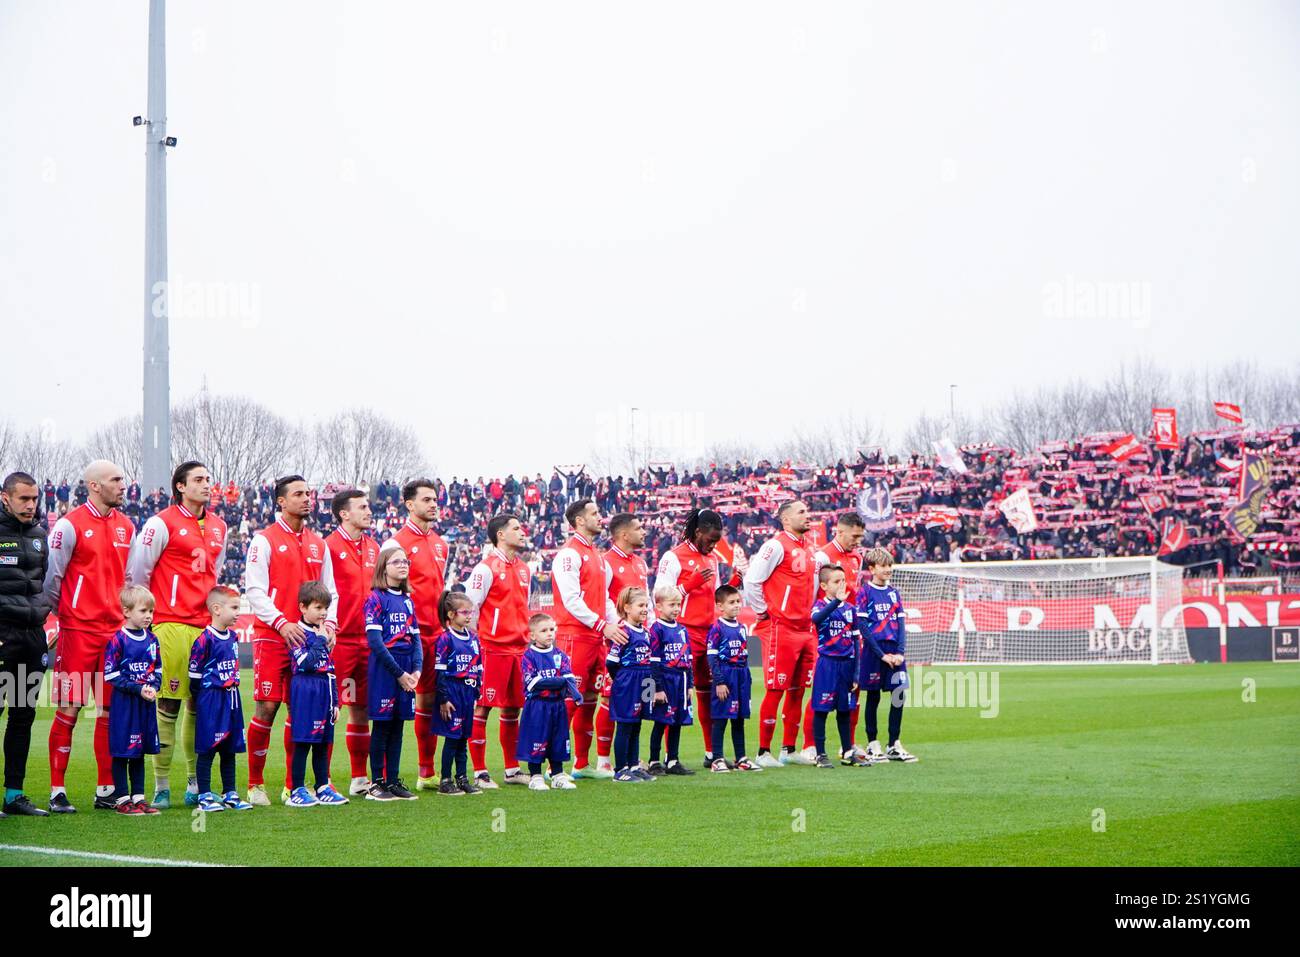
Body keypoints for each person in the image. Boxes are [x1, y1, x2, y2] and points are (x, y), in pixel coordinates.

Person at [125, 460, 228, 809]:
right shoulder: (160, 522)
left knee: (200, 705)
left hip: (206, 629)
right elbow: (140, 571)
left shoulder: (219, 526)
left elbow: (216, 571)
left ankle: (194, 780)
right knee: (166, 702)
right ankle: (162, 784)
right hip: (170, 624)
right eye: (198, 480)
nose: (207, 485)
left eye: (208, 479)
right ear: (180, 486)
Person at [44, 459, 136, 812]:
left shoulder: (126, 525)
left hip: (115, 633)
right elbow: (53, 579)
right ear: (94, 485)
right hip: (79, 630)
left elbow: (127, 578)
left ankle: (105, 789)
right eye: (115, 480)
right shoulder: (68, 526)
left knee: (109, 711)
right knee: (69, 707)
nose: (122, 486)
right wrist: (69, 613)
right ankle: (56, 791)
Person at [243, 475, 338, 806]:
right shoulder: (263, 540)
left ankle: (292, 786)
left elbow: (330, 591)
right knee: (267, 707)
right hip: (273, 636)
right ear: (281, 501)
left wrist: (330, 626)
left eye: (309, 493)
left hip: (309, 641)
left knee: (302, 710)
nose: (307, 498)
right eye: (298, 494)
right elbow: (254, 589)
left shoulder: (319, 543)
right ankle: (255, 784)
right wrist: (281, 622)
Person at [654, 508, 744, 768]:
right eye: (710, 539)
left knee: (709, 694)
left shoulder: (712, 559)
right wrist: (686, 586)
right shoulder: (673, 557)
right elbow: (658, 595)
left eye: (717, 540)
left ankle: (710, 753)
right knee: (677, 694)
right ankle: (669, 757)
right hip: (681, 633)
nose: (713, 544)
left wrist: (731, 584)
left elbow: (715, 595)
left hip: (709, 633)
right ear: (697, 532)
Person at [380, 479, 448, 789]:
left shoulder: (440, 543)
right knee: (393, 705)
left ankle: (426, 772)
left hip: (434, 632)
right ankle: (382, 777)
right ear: (410, 505)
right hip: (403, 637)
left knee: (430, 701)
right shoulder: (395, 543)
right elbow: (383, 589)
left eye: (435, 499)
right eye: (426, 500)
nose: (433, 504)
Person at [551, 499, 625, 780]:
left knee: (590, 700)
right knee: (569, 701)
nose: (600, 517)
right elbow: (570, 600)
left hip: (596, 637)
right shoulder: (568, 555)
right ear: (579, 520)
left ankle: (581, 764)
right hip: (574, 636)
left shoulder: (597, 556)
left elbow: (604, 598)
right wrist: (601, 624)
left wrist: (615, 625)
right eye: (594, 513)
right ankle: (552, 766)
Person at [742, 499, 817, 768]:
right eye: (802, 512)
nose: (808, 515)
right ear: (785, 519)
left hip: (805, 627)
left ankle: (788, 749)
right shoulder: (775, 545)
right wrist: (765, 612)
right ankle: (763, 751)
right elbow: (751, 580)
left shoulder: (809, 547)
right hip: (781, 627)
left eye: (807, 511)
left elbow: (813, 584)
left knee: (798, 690)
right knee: (776, 688)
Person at [461, 512, 531, 789]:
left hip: (520, 649)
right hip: (492, 649)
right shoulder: (485, 569)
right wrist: (477, 643)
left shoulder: (525, 569)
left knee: (513, 709)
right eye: (516, 528)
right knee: (482, 708)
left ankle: (512, 770)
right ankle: (479, 772)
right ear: (501, 534)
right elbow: (469, 608)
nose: (522, 531)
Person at [0, 471, 53, 817]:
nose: (31, 505)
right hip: (2, 635)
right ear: (5, 498)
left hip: (31, 639)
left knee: (22, 717)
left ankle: (14, 795)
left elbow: (39, 584)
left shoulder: (39, 535)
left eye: (34, 499)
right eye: (24, 499)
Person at [323, 488, 379, 796]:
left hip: (368, 641)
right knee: (332, 708)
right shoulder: (328, 546)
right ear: (345, 513)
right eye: (362, 507)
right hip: (339, 639)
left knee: (362, 709)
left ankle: (360, 778)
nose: (369, 511)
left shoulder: (373, 547)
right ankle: (324, 778)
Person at [587, 512, 650, 778]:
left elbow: (646, 602)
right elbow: (602, 599)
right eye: (639, 528)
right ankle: (604, 760)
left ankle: (631, 762)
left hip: (638, 638)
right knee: (609, 697)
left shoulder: (640, 563)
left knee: (636, 707)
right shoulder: (606, 563)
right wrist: (616, 628)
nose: (644, 531)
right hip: (617, 638)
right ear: (624, 534)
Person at [802, 512, 867, 762]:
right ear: (839, 531)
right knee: (820, 691)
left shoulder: (857, 557)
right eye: (855, 536)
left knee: (852, 691)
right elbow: (812, 591)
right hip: (825, 632)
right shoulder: (822, 556)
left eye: (861, 536)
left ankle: (847, 745)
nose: (858, 541)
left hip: (848, 627)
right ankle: (810, 746)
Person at [363, 547, 422, 801]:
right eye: (396, 561)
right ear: (383, 567)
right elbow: (375, 642)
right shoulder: (376, 598)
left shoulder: (408, 599)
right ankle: (376, 783)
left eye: (405, 561)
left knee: (398, 726)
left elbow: (416, 639)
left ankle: (393, 780)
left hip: (407, 669)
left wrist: (417, 669)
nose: (403, 565)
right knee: (383, 725)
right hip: (386, 669)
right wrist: (399, 673)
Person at [189, 587, 252, 812]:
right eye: (234, 608)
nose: (238, 613)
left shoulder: (233, 636)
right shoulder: (205, 640)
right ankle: (204, 795)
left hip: (232, 699)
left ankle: (230, 793)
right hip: (212, 699)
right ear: (216, 609)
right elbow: (194, 676)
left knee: (229, 748)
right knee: (207, 748)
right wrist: (204, 699)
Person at [286, 582, 347, 807]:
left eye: (325, 609)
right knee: (303, 741)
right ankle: (297, 789)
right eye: (318, 608)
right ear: (303, 607)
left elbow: (330, 669)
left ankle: (322, 787)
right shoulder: (297, 632)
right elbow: (305, 663)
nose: (323, 613)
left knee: (323, 742)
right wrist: (320, 641)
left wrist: (336, 702)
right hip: (305, 689)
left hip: (324, 690)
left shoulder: (324, 633)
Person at [102, 586, 162, 815]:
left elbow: (158, 669)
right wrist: (138, 689)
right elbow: (111, 674)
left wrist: (153, 687)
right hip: (126, 705)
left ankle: (139, 797)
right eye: (143, 610)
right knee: (122, 751)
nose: (148, 616)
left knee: (140, 751)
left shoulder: (152, 639)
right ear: (126, 612)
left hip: (146, 704)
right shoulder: (118, 640)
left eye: (151, 611)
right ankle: (122, 798)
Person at [857, 548, 917, 763]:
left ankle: (894, 743)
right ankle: (873, 744)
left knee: (898, 695)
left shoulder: (894, 593)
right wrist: (881, 655)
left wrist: (900, 653)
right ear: (872, 569)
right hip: (875, 652)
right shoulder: (864, 592)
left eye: (889, 565)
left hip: (895, 652)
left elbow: (901, 624)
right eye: (883, 566)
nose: (888, 569)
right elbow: (863, 626)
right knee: (873, 697)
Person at [808, 566, 868, 768]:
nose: (841, 584)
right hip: (828, 665)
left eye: (843, 580)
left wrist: (856, 674)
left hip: (847, 665)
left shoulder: (851, 610)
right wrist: (836, 602)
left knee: (845, 710)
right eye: (836, 581)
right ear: (824, 586)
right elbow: (816, 619)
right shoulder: (819, 606)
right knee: (821, 710)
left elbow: (856, 643)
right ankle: (821, 754)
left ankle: (847, 751)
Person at [517, 613, 579, 791]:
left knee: (558, 739)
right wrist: (560, 682)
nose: (549, 633)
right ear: (533, 635)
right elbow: (533, 683)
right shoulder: (529, 656)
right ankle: (535, 776)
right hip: (537, 706)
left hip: (557, 705)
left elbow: (570, 678)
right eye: (544, 630)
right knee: (536, 739)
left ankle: (557, 775)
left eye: (552, 629)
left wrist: (574, 693)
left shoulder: (560, 654)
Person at [431, 591, 483, 796]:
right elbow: (440, 671)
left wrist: (476, 693)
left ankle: (462, 778)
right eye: (464, 612)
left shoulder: (473, 638)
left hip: (468, 693)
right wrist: (443, 699)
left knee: (464, 738)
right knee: (452, 738)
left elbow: (478, 666)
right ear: (451, 615)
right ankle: (445, 780)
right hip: (452, 690)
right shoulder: (445, 639)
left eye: (471, 612)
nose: (469, 616)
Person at [705, 585, 760, 773]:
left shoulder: (744, 627)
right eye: (731, 602)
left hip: (742, 676)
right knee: (721, 718)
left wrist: (749, 678)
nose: (737, 605)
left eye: (738, 601)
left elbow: (754, 658)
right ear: (720, 606)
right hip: (725, 675)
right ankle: (717, 759)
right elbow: (711, 657)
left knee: (739, 719)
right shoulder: (716, 628)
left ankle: (741, 758)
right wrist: (719, 681)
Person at [605, 586, 655, 783]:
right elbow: (611, 662)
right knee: (625, 725)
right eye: (641, 605)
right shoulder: (623, 631)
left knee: (637, 724)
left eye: (647, 605)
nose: (645, 609)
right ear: (627, 607)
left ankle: (634, 765)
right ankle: (620, 769)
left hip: (646, 680)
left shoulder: (646, 632)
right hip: (629, 681)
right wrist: (622, 680)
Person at [646, 584, 695, 776]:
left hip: (681, 680)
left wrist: (690, 684)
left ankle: (673, 759)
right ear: (659, 606)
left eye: (678, 604)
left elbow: (688, 659)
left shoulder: (682, 629)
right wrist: (657, 688)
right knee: (661, 720)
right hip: (665, 679)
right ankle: (654, 761)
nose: (676, 608)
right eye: (671, 604)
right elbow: (654, 662)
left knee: (677, 721)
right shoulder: (656, 629)